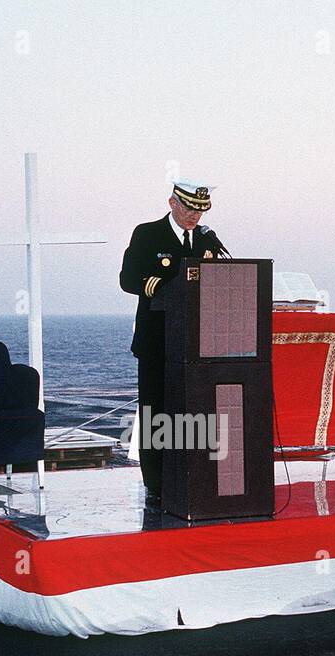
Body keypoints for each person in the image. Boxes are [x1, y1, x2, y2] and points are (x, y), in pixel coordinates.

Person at [119, 180, 228, 498]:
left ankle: (191, 476)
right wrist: (159, 284)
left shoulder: (207, 240)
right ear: (172, 203)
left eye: (200, 209)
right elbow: (128, 279)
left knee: (193, 410)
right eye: (189, 208)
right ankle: (156, 483)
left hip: (195, 343)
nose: (195, 215)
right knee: (156, 412)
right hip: (156, 342)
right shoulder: (147, 234)